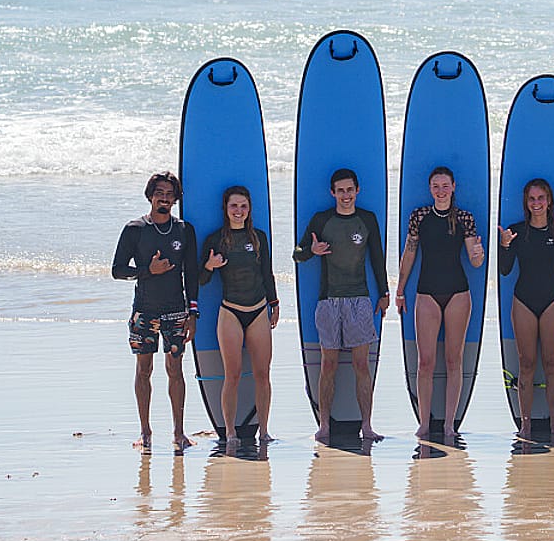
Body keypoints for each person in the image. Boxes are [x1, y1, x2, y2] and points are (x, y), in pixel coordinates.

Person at [293, 168, 390, 442]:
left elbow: (377, 259)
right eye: (340, 191)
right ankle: (324, 426)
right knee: (329, 364)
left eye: (350, 190)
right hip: (328, 300)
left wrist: (384, 292)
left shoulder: (367, 220)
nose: (345, 195)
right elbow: (297, 254)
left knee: (362, 364)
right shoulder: (322, 220)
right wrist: (311, 251)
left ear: (357, 191)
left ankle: (367, 426)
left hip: (359, 299)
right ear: (332, 193)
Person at [111, 171, 200, 455]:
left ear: (175, 199)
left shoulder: (184, 230)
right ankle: (146, 432)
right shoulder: (135, 229)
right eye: (159, 192)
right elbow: (118, 270)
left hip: (176, 312)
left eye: (169, 193)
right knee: (144, 370)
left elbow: (192, 274)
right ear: (150, 195)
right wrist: (149, 270)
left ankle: (179, 432)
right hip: (144, 311)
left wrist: (193, 313)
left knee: (176, 369)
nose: (164, 197)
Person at [395, 166, 485, 440]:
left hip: (458, 292)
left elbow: (475, 261)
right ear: (430, 189)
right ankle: (424, 423)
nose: (441, 190)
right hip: (426, 293)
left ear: (454, 187)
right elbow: (409, 254)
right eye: (436, 186)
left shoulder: (465, 218)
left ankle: (448, 424)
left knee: (453, 360)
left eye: (445, 185)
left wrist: (479, 253)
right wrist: (399, 290)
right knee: (426, 362)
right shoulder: (420, 216)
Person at [498, 178, 554, 439]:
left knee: (551, 363)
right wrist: (504, 246)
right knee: (526, 363)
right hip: (523, 300)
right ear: (526, 202)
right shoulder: (515, 232)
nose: (536, 203)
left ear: (549, 202)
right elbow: (504, 270)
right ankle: (524, 425)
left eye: (541, 198)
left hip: (553, 301)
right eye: (532, 199)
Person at [199, 185, 279, 447]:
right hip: (230, 311)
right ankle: (230, 432)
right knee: (231, 374)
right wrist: (209, 267)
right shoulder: (216, 240)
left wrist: (274, 302)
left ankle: (264, 431)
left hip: (258, 309)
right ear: (226, 208)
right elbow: (200, 279)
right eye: (234, 206)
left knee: (262, 374)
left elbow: (267, 274)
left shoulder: (258, 237)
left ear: (249, 209)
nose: (239, 211)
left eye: (243, 206)